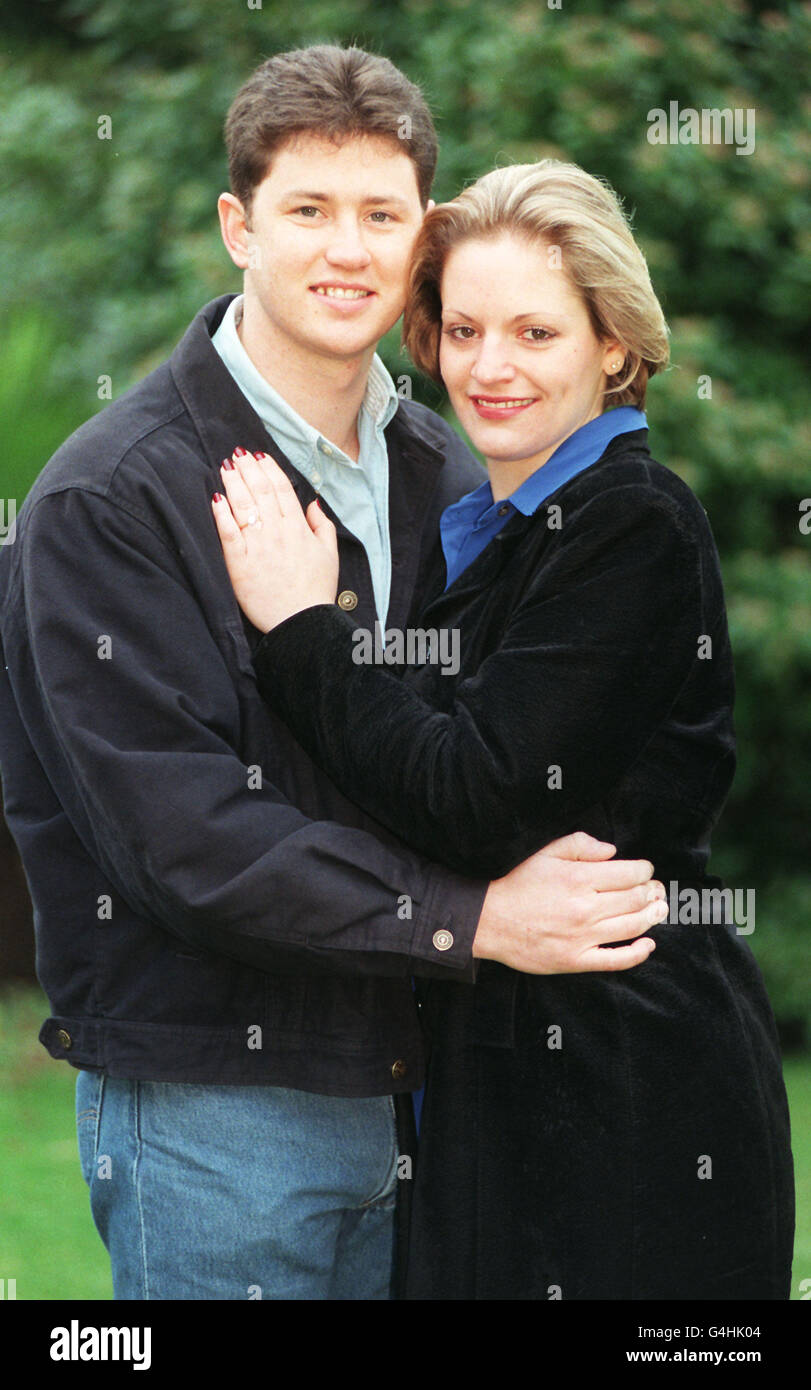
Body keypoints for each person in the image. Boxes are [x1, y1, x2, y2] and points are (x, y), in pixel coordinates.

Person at [0, 50, 665, 1302]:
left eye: (381, 214)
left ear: (423, 235)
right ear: (238, 227)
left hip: (438, 1094)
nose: (345, 250)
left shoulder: (454, 474)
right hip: (219, 1111)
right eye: (307, 211)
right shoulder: (114, 496)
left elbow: (484, 765)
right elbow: (180, 838)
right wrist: (474, 920)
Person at [212, 159, 795, 1300]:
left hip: (627, 1091)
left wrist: (297, 626)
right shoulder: (491, 531)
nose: (490, 367)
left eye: (535, 331)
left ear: (614, 346)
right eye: (464, 328)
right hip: (507, 1073)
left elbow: (472, 794)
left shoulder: (632, 522)